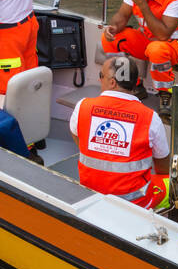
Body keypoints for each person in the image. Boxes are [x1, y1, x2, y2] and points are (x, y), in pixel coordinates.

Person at [69, 57, 171, 208]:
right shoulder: (150, 118)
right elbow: (163, 166)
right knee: (174, 183)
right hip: (134, 202)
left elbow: (79, 140)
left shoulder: (82, 107)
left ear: (112, 82)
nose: (99, 80)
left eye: (101, 76)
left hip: (90, 194)